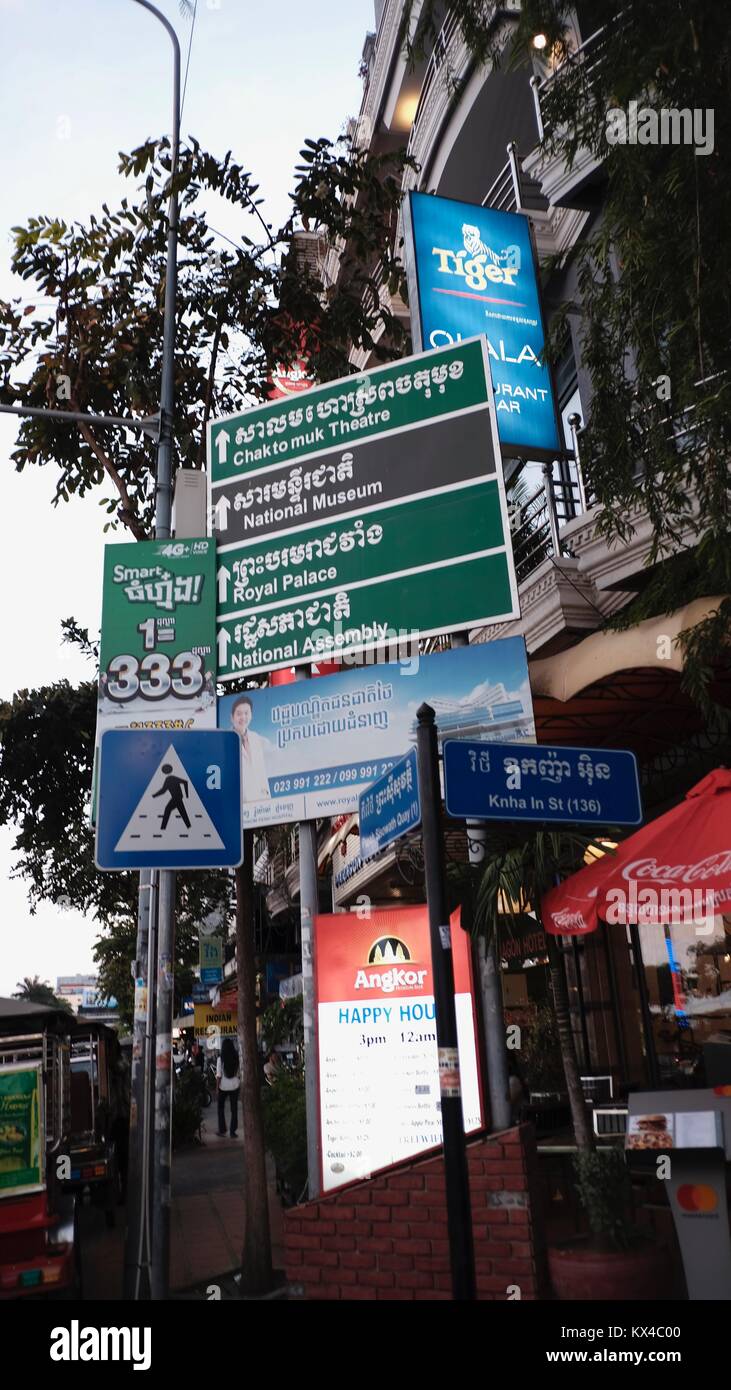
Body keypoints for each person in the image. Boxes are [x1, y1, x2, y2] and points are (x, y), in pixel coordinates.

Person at [230, 695, 271, 802]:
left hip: (261, 800)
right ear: (232, 717)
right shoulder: (227, 740)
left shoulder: (257, 739)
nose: (243, 717)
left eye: (246, 713)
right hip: (238, 802)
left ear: (251, 715)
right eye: (239, 714)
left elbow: (261, 771)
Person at [216, 1037, 240, 1137]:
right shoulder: (237, 1057)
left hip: (223, 1087)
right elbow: (239, 1073)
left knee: (220, 1108)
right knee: (234, 1110)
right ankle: (232, 1131)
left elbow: (218, 1075)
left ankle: (222, 1130)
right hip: (235, 1085)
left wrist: (217, 1088)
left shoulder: (220, 1059)